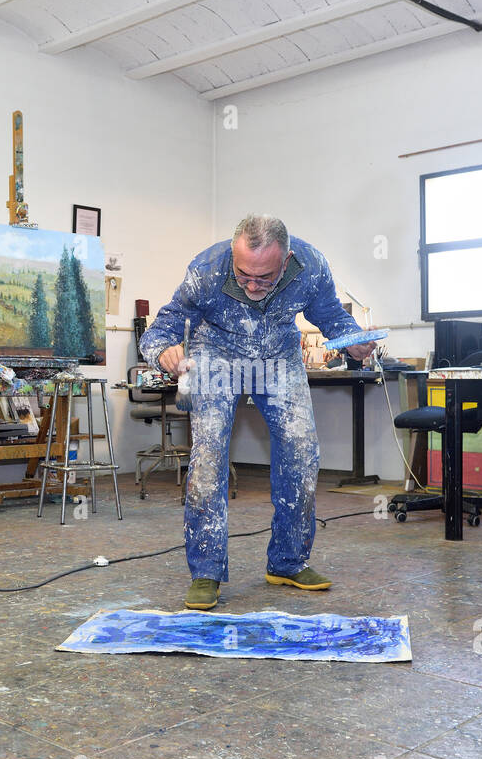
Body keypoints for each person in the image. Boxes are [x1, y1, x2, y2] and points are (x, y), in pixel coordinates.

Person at [139, 215, 376, 610]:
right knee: (207, 461)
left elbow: (332, 316)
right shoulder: (206, 269)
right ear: (233, 255)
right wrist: (163, 351)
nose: (251, 285)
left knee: (302, 452)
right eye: (243, 274)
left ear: (285, 263)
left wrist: (353, 341)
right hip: (215, 354)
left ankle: (287, 562)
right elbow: (161, 328)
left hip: (278, 356)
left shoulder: (312, 267)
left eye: (263, 278)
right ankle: (206, 572)